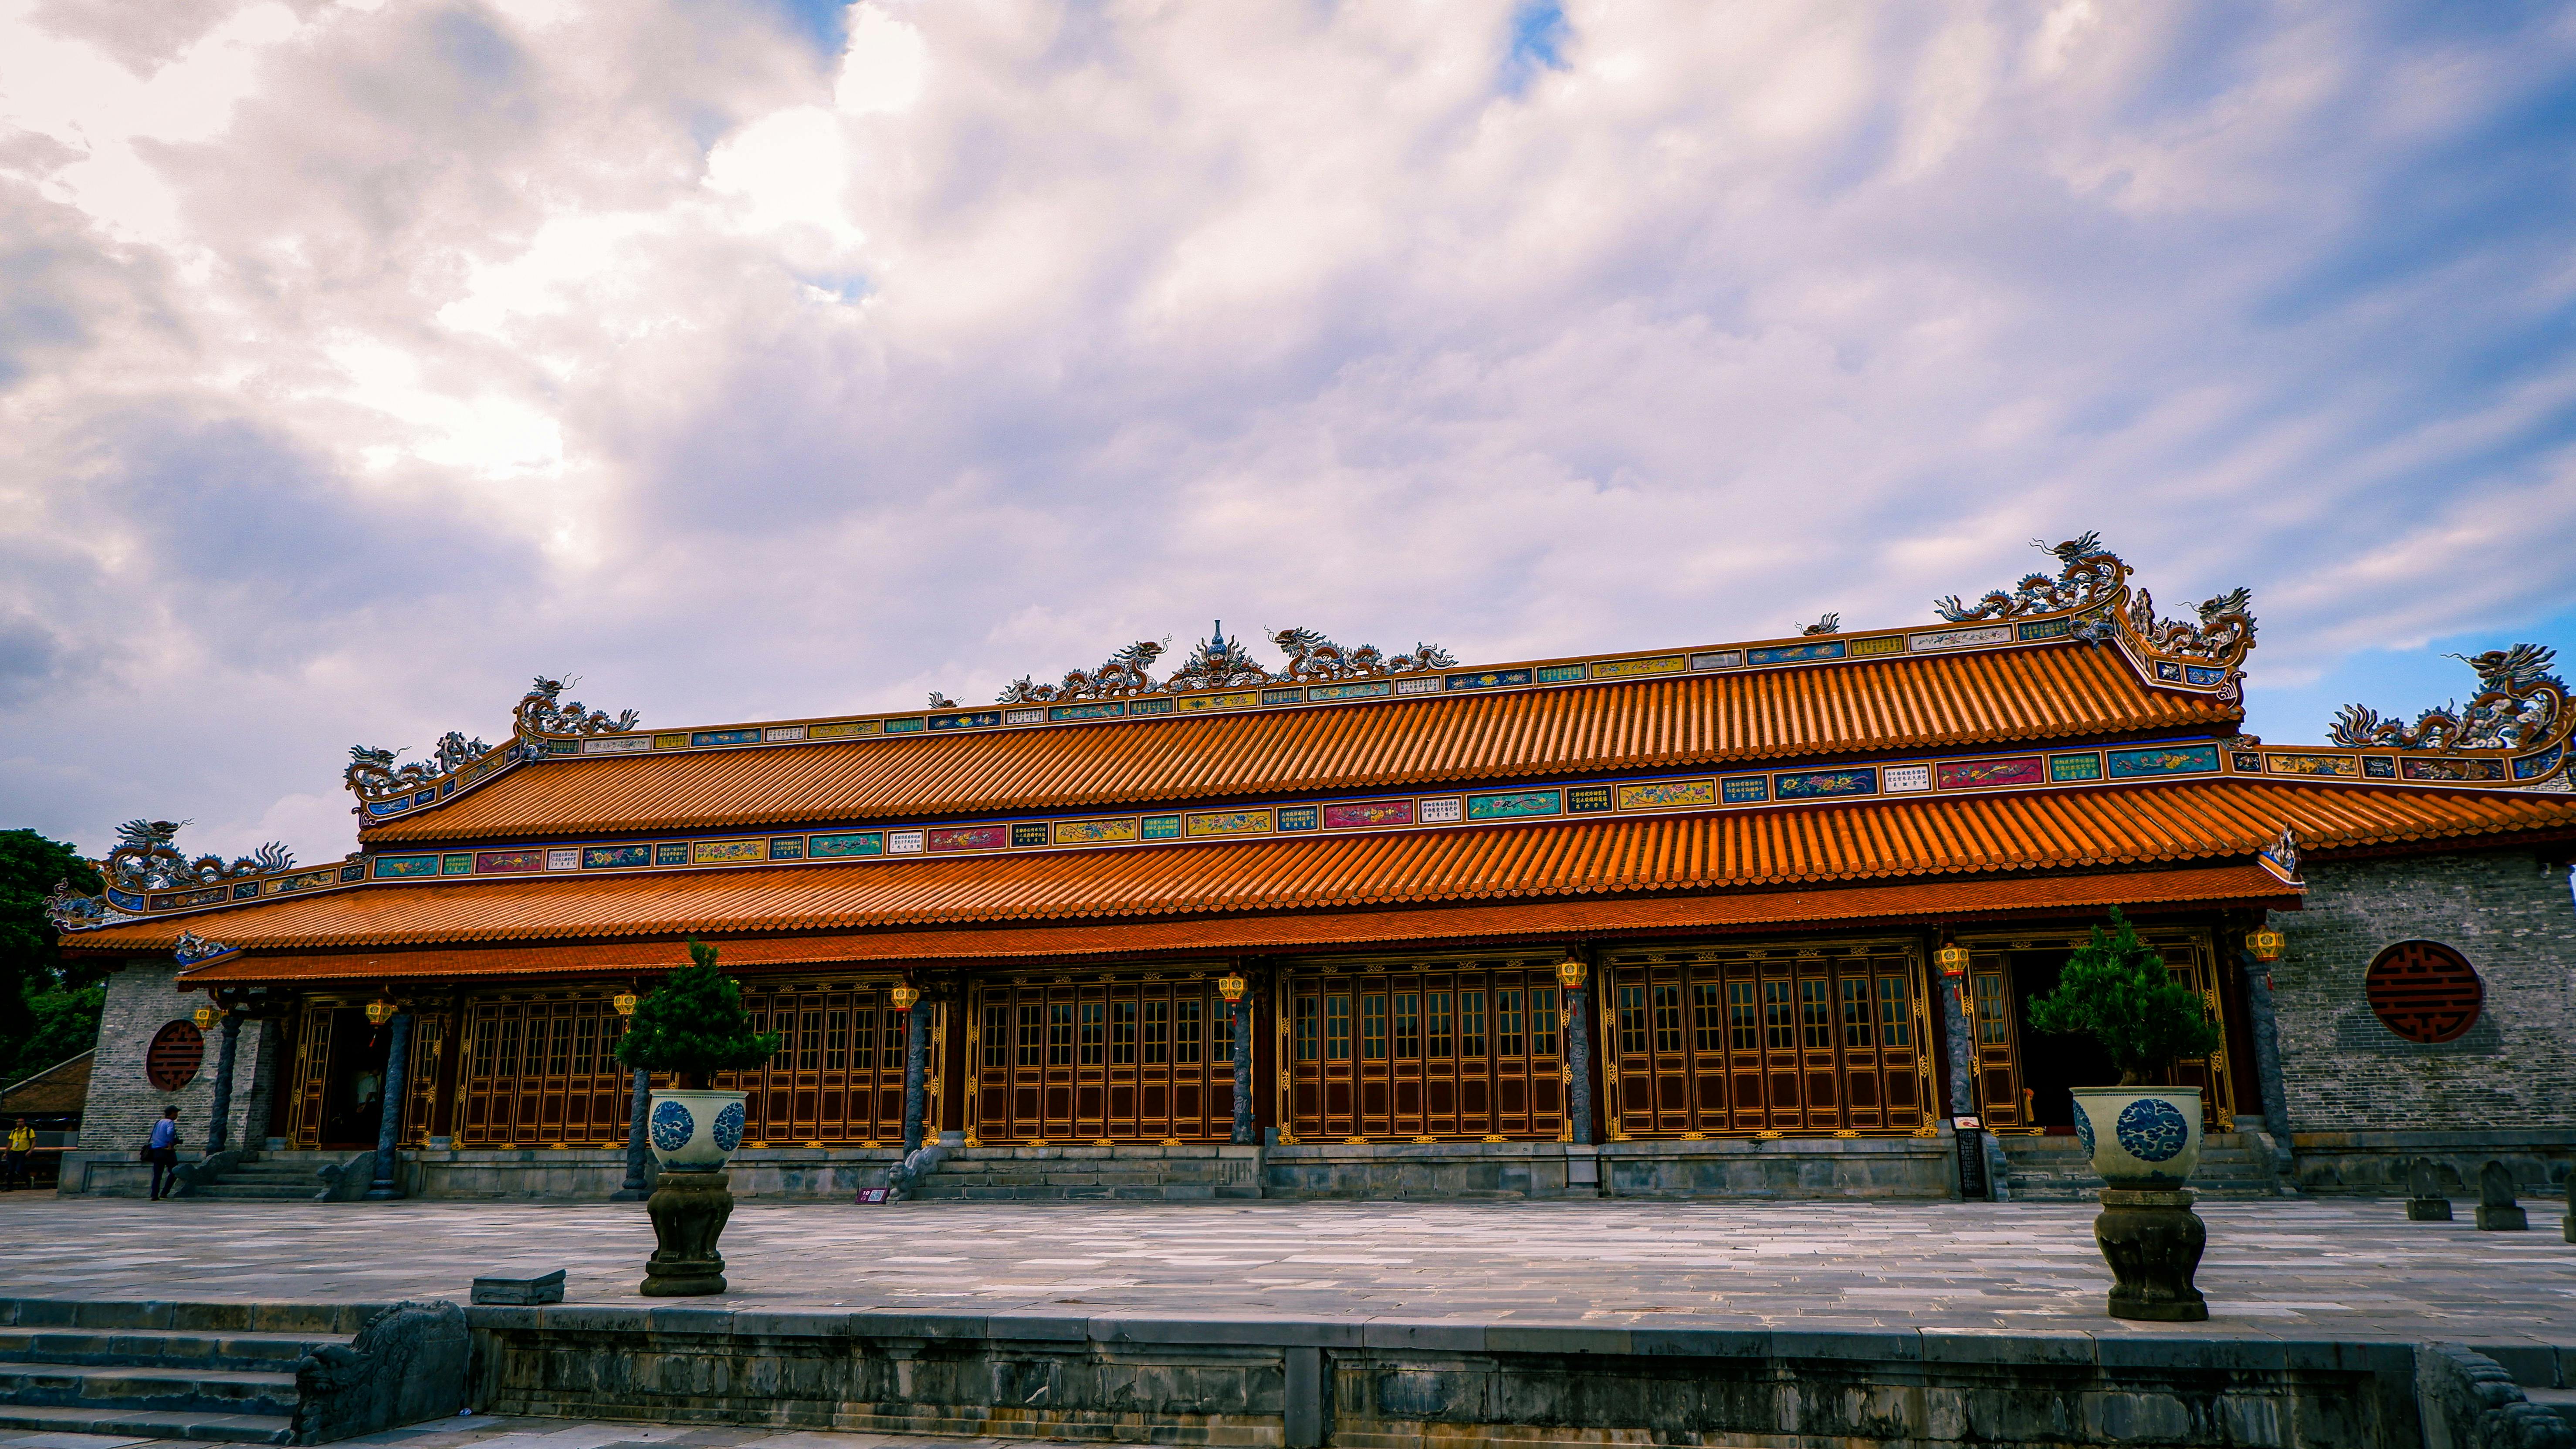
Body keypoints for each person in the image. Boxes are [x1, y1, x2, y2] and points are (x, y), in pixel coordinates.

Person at [147, 1106, 181, 1200]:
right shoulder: (170, 1122)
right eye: (176, 1113)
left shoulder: (158, 1122)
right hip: (167, 1151)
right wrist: (171, 1145)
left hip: (157, 1151)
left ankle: (154, 1195)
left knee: (158, 1174)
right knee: (175, 1171)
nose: (177, 1115)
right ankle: (165, 1192)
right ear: (172, 1113)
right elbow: (170, 1133)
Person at [4, 1118, 32, 1189]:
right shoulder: (14, 1132)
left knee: (19, 1169)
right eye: (18, 1122)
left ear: (24, 1123)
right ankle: (9, 1187)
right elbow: (10, 1142)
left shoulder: (29, 1131)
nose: (20, 1123)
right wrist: (6, 1153)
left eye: (21, 1122)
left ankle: (29, 1180)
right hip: (14, 1152)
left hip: (23, 1152)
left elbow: (34, 1141)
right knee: (11, 1170)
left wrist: (30, 1151)